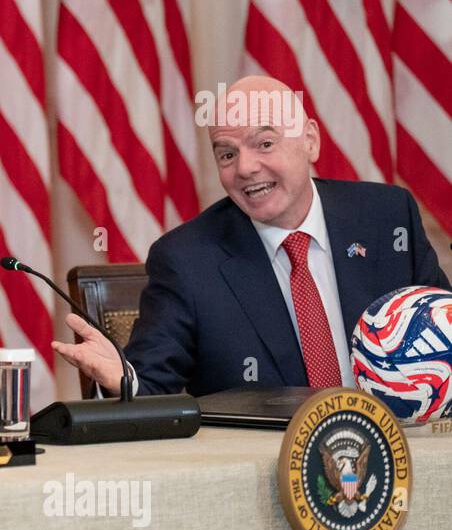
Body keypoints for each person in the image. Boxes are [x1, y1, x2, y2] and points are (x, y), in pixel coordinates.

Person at [54, 76, 451, 397]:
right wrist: (126, 379)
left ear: (309, 140)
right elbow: (152, 383)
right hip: (265, 476)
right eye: (226, 154)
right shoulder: (187, 259)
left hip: (395, 452)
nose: (245, 168)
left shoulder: (386, 218)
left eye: (264, 143)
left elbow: (444, 335)